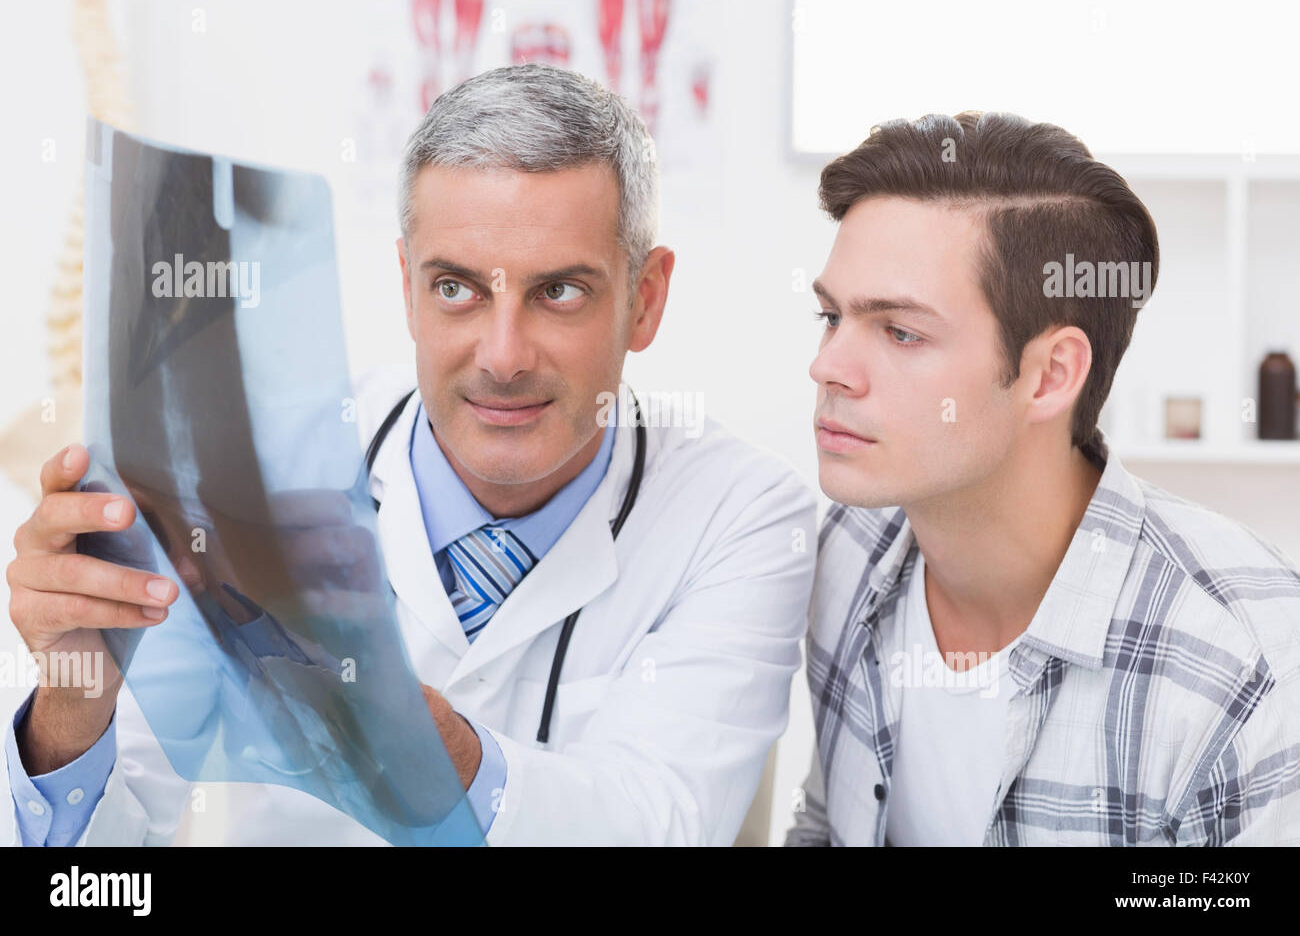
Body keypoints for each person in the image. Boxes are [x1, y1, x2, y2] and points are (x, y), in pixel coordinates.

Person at [4, 64, 816, 846]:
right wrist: (75, 704)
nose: (502, 356)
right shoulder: (251, 472)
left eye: (558, 291)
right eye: (457, 287)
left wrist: (436, 746)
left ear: (645, 298)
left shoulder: (744, 514)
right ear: (406, 286)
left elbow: (662, 827)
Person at [785, 111, 1300, 846]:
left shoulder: (1246, 665)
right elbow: (828, 824)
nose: (827, 366)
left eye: (900, 331)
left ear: (1051, 375)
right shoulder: (847, 555)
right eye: (830, 315)